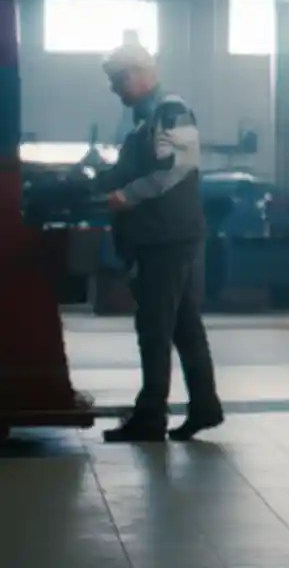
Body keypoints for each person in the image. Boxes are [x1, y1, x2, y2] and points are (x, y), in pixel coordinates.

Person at [94, 43, 223, 443]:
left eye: (120, 80)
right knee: (184, 326)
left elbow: (174, 168)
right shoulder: (144, 120)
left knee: (154, 327)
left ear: (143, 71)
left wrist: (126, 196)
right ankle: (204, 407)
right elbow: (132, 169)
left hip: (167, 237)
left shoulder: (171, 111)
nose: (116, 89)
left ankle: (150, 416)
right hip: (164, 235)